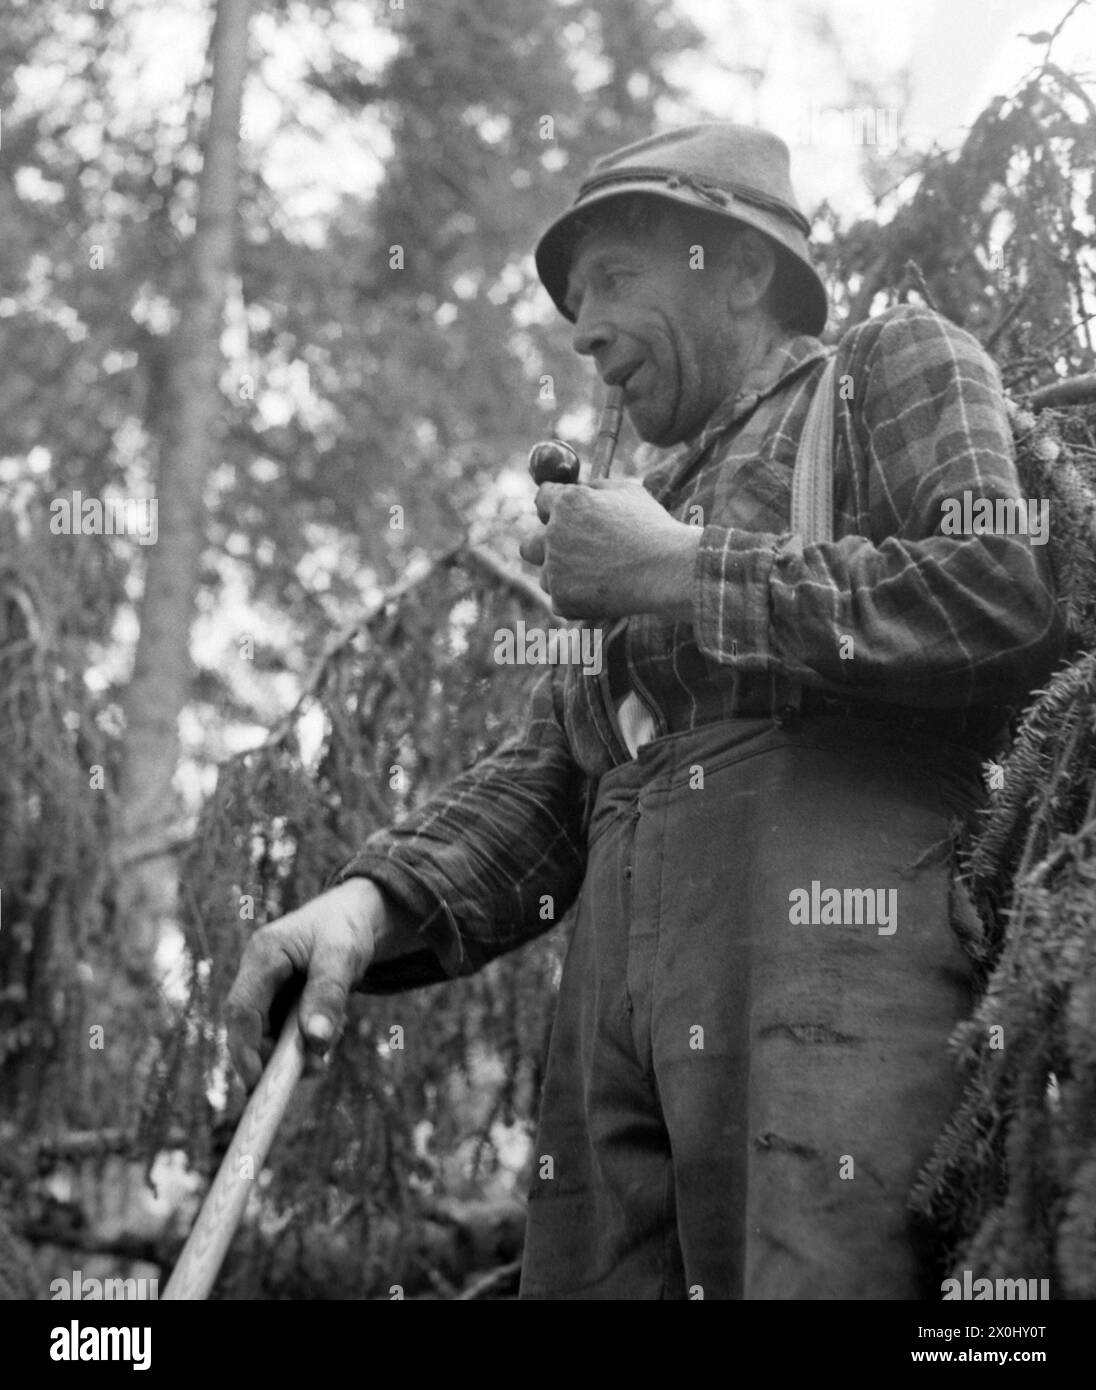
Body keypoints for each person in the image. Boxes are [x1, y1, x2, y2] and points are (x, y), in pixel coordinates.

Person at [226, 123, 1065, 1299]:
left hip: (831, 956)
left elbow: (1003, 593)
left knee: (821, 1270)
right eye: (576, 302)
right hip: (613, 996)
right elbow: (554, 782)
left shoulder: (887, 368)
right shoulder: (635, 520)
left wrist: (685, 571)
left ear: (740, 268)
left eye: (613, 278)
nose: (584, 330)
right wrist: (371, 903)